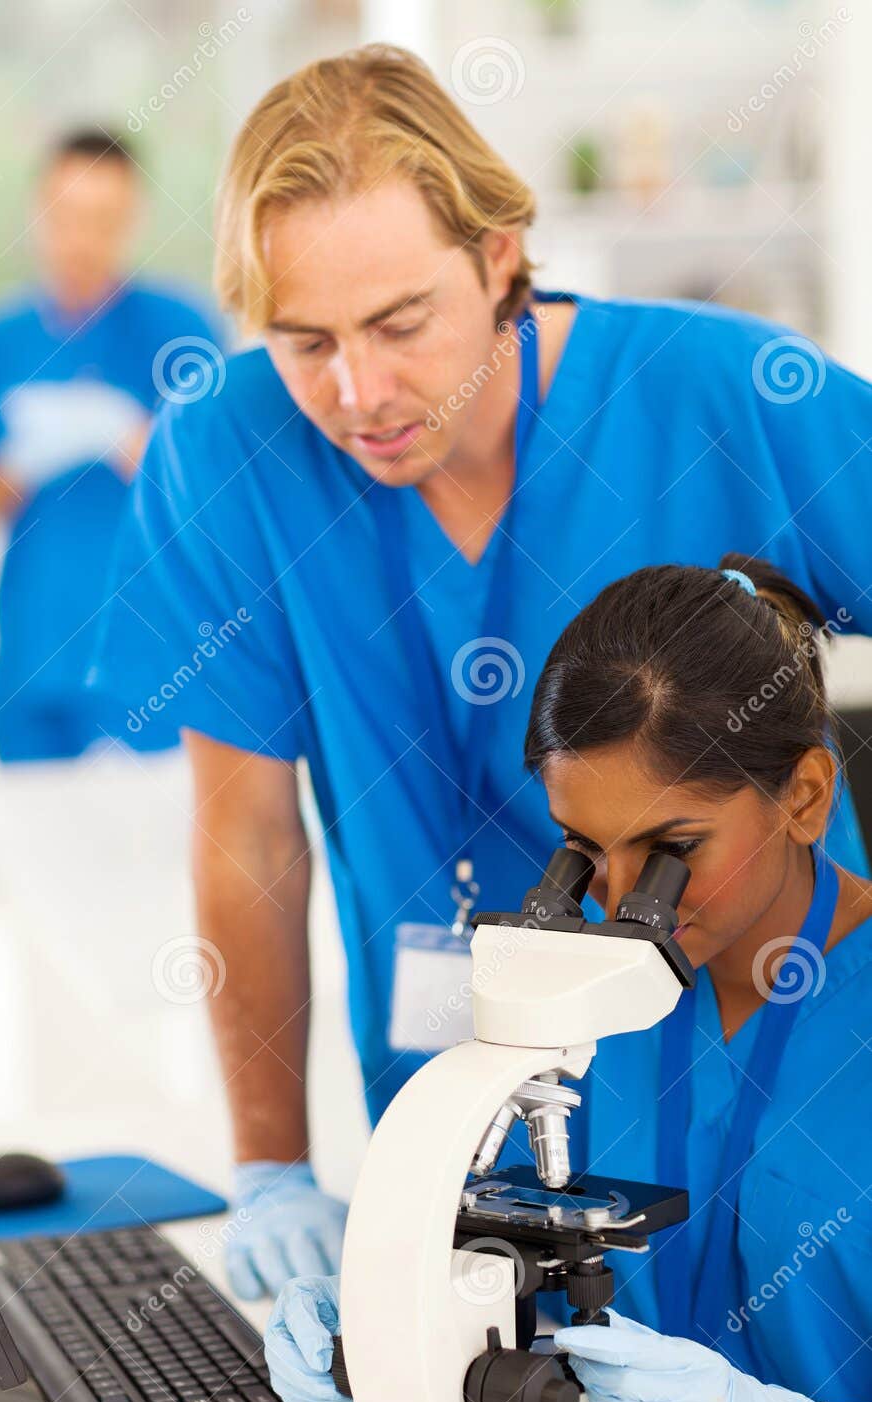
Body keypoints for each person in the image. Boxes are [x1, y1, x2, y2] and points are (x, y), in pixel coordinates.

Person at [87, 45, 872, 1301]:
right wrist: (269, 1170)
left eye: (401, 323)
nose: (360, 393)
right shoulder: (225, 455)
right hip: (455, 1127)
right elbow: (245, 833)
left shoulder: (720, 395)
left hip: (777, 1106)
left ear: (499, 255)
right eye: (303, 342)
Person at [263, 555, 872, 1402]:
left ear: (802, 796)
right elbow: (520, 1249)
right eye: (583, 851)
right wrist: (385, 1300)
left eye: (671, 852)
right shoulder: (589, 999)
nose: (620, 903)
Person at [0, 128, 223, 762]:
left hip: (148, 659)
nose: (82, 239)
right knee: (31, 847)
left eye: (104, 219)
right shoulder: (2, 337)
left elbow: (215, 492)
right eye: (67, 216)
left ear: (133, 219)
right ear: (38, 212)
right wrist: (21, 462)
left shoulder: (180, 329)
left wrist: (129, 439)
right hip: (33, 652)